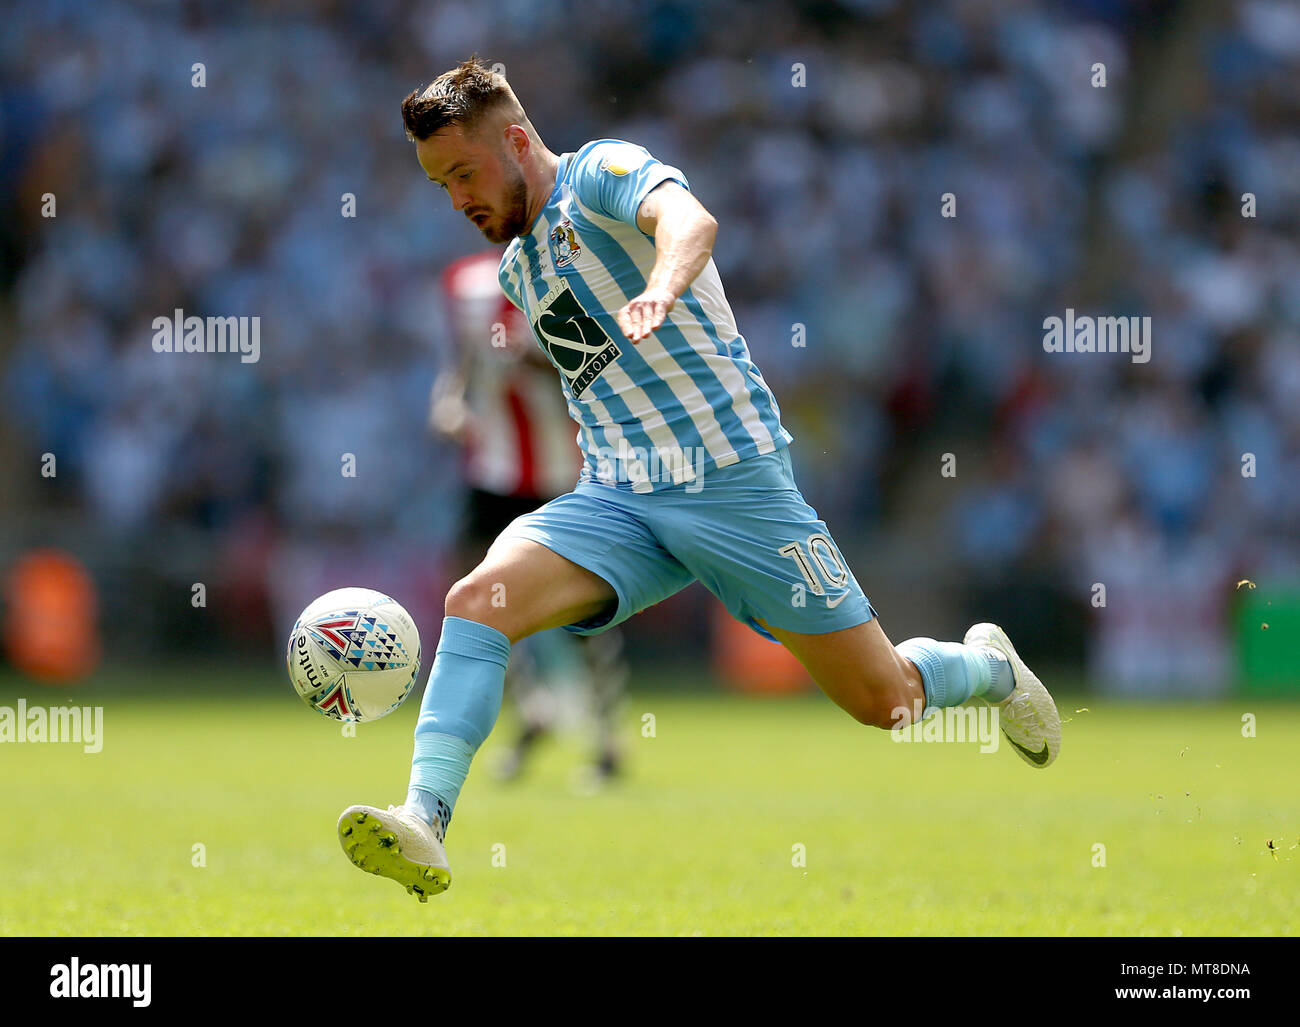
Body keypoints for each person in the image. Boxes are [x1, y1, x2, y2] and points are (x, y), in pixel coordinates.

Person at [338, 58, 1061, 903]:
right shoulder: (517, 271)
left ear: (518, 139)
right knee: (477, 599)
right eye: (440, 185)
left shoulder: (599, 173)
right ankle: (424, 816)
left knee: (885, 701)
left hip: (733, 485)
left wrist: (661, 285)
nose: (457, 197)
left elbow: (689, 218)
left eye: (463, 171)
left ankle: (989, 668)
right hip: (619, 496)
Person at [431, 250, 627, 783]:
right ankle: (533, 711)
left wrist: (535, 358)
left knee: (583, 611)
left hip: (563, 471)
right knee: (476, 598)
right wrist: (447, 402)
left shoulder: (568, 276)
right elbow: (462, 361)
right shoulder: (465, 281)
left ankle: (608, 741)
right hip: (492, 471)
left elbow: (597, 372)